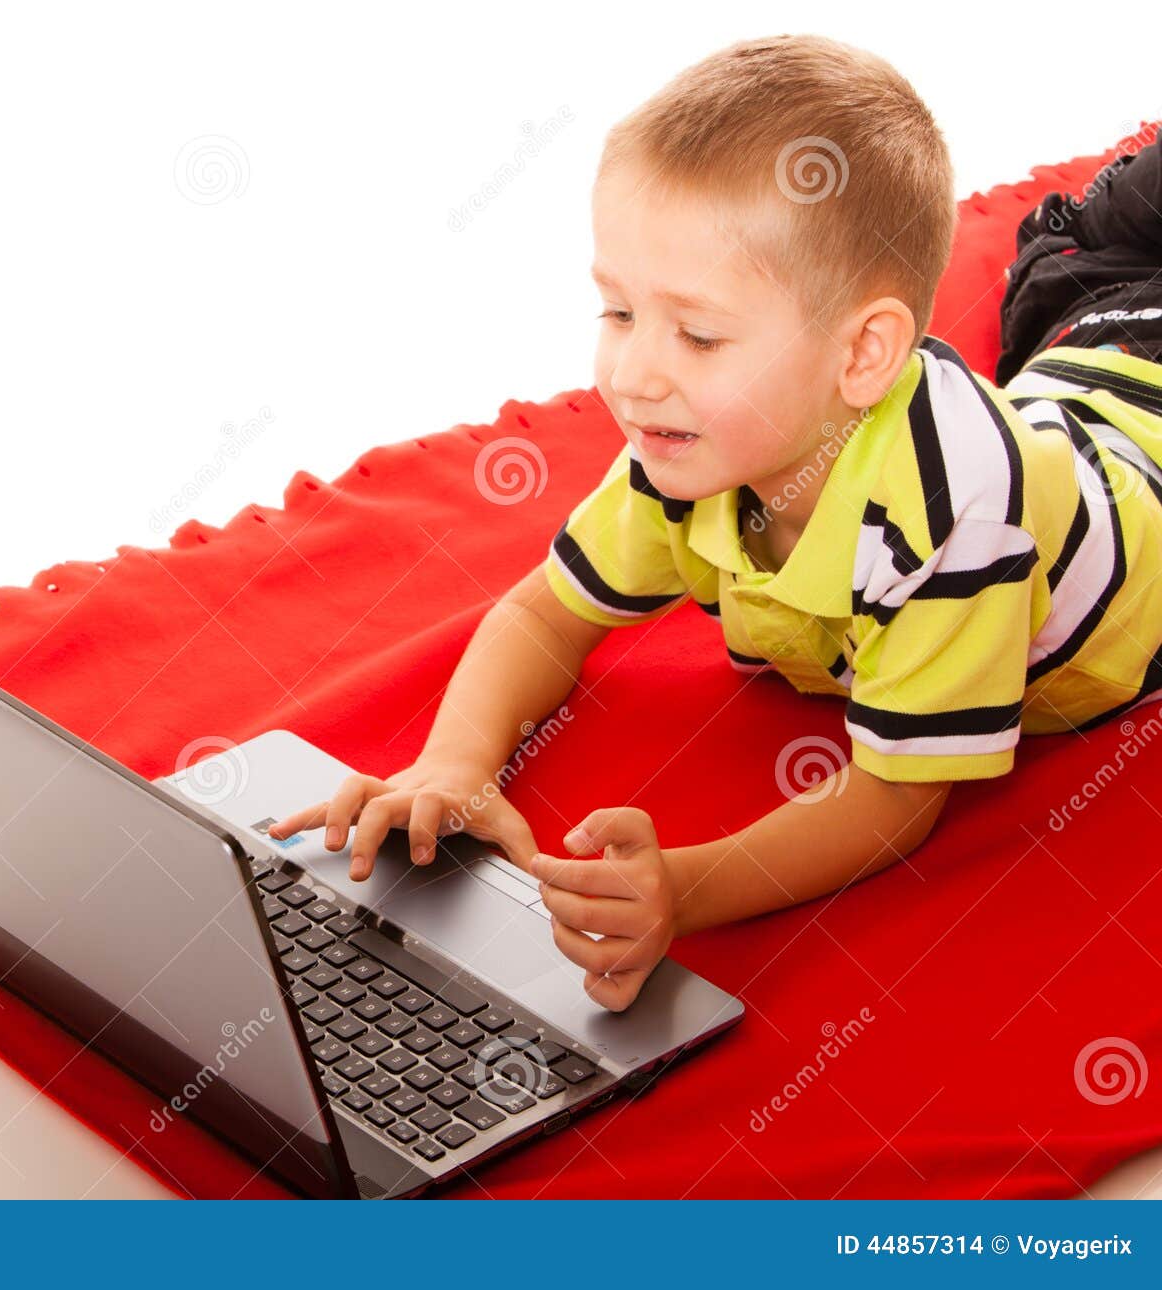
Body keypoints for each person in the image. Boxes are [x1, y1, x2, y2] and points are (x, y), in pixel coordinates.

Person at [271, 35, 1162, 1012]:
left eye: (696, 334)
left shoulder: (949, 519)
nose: (631, 375)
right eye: (616, 313)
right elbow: (544, 614)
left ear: (862, 356)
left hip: (1130, 413)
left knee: (1098, 243)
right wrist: (454, 766)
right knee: (1080, 257)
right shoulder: (686, 449)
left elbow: (896, 794)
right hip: (1086, 346)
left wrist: (683, 891)